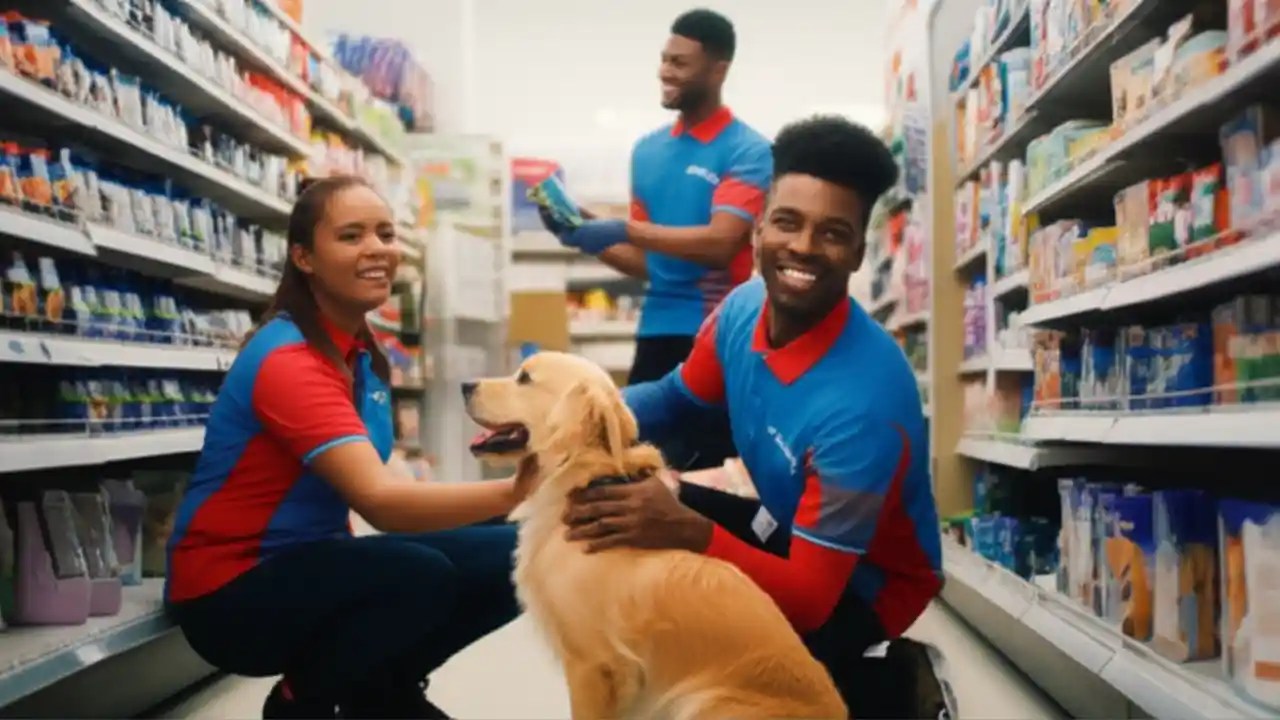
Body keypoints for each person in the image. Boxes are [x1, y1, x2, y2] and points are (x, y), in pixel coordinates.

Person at [561, 116, 953, 719]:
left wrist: (686, 529)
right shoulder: (743, 309)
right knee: (629, 506)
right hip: (786, 525)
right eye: (788, 222)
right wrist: (589, 415)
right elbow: (674, 401)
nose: (801, 247)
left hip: (861, 586)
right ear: (759, 228)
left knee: (726, 662)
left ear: (857, 254)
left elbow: (809, 600)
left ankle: (888, 689)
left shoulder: (863, 405)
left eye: (833, 233)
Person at [164, 176, 530, 720]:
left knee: (523, 551)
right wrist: (523, 487)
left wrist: (524, 502)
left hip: (312, 560)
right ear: (304, 257)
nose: (377, 249)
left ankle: (383, 687)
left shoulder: (361, 353)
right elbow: (380, 502)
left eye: (385, 233)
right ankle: (299, 703)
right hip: (230, 592)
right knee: (418, 574)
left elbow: (380, 498)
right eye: (352, 235)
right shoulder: (289, 359)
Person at [540, 8, 772, 472]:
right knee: (643, 469)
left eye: (680, 63)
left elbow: (722, 243)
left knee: (712, 473)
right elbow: (650, 262)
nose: (666, 71)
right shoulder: (647, 151)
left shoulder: (747, 150)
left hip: (717, 333)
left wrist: (624, 227)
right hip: (655, 336)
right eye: (664, 59)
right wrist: (581, 233)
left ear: (718, 70)